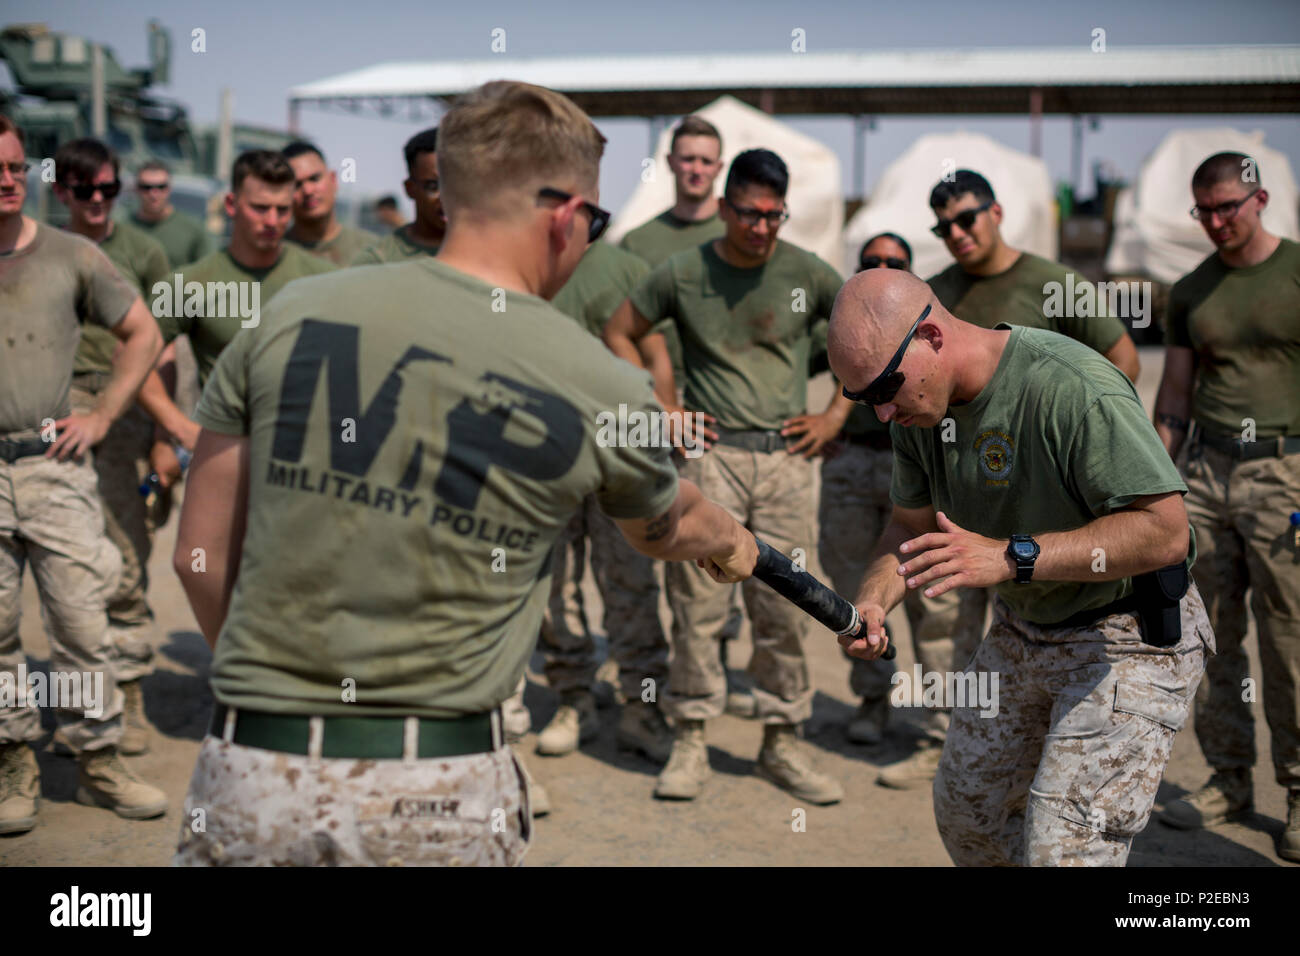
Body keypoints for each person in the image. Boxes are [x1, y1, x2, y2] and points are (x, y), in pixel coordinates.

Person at [170, 80, 756, 867]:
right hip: (436, 789)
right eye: (594, 221)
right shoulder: (598, 382)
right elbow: (666, 526)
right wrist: (730, 536)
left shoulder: (287, 314)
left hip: (249, 774)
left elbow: (197, 556)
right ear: (564, 216)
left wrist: (268, 691)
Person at [832, 268, 1211, 866]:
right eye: (862, 399)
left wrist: (1013, 555)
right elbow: (909, 525)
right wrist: (875, 600)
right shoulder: (918, 410)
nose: (880, 413)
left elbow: (1165, 531)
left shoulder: (1071, 386)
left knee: (1063, 851)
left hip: (1126, 630)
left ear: (930, 334)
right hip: (1026, 629)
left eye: (884, 388)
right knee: (969, 815)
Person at [868, 169, 1145, 790]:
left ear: (996, 212)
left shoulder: (1051, 285)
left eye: (967, 218)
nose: (958, 234)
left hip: (1048, 516)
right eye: (944, 227)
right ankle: (945, 732)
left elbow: (1118, 359)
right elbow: (904, 525)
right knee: (949, 633)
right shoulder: (933, 293)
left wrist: (1108, 451)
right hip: (963, 508)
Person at [605, 148, 850, 804]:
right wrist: (665, 408)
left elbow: (868, 332)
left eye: (775, 215)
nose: (762, 227)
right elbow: (621, 330)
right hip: (709, 459)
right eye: (749, 213)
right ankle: (689, 736)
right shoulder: (685, 272)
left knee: (785, 603)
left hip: (786, 462)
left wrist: (833, 416)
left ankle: (782, 740)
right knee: (697, 603)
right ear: (723, 207)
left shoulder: (806, 271)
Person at [0, 114, 169, 833]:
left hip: (52, 463)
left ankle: (96, 759)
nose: (6, 181)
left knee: (77, 621)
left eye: (13, 167)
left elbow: (143, 333)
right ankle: (13, 761)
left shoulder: (71, 255)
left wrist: (101, 417)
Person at [1153, 151, 1300, 862]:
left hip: (1287, 475)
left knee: (1291, 639)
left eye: (1226, 209)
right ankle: (1227, 779)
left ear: (1259, 199)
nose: (1214, 222)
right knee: (1208, 637)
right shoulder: (1189, 291)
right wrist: (1153, 479)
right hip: (1208, 474)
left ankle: (1299, 791)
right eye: (1202, 211)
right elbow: (1175, 395)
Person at [618, 115, 752, 717]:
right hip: (654, 425)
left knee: (726, 552)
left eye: (707, 160)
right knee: (660, 558)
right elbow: (617, 332)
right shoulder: (639, 245)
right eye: (686, 158)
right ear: (670, 164)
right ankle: (666, 692)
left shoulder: (741, 240)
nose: (696, 169)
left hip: (725, 428)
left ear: (718, 169)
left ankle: (715, 670)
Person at [52, 138, 175, 757]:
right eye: (84, 191)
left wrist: (162, 441)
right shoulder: (39, 249)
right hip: (55, 416)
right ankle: (83, 705)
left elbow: (167, 348)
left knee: (127, 555)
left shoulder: (142, 252)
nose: (98, 202)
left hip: (127, 410)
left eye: (108, 190)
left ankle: (129, 696)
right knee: (67, 568)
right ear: (61, 194)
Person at [532, 240, 674, 768]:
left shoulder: (628, 268)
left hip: (622, 453)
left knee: (632, 581)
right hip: (550, 453)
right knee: (555, 584)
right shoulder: (528, 263)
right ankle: (573, 700)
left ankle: (643, 707)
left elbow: (656, 350)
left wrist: (662, 422)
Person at [819, 232, 949, 749]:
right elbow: (807, 366)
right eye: (871, 261)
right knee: (857, 588)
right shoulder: (845, 315)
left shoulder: (920, 321)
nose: (882, 267)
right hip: (853, 464)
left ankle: (944, 726)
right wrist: (829, 423)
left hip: (915, 464)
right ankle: (872, 700)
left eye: (894, 262)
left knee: (934, 597)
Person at [351, 128, 444, 265]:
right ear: (410, 189)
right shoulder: (379, 260)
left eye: (456, 182)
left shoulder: (483, 252)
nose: (447, 195)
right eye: (433, 186)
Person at [282, 141, 378, 267]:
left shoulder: (373, 251)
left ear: (333, 180)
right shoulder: (271, 254)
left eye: (314, 179)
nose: (308, 191)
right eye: (297, 185)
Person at [130, 160, 212, 269]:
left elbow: (207, 272)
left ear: (169, 188)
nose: (154, 194)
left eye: (161, 187)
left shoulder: (194, 229)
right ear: (136, 189)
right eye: (146, 187)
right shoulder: (123, 227)